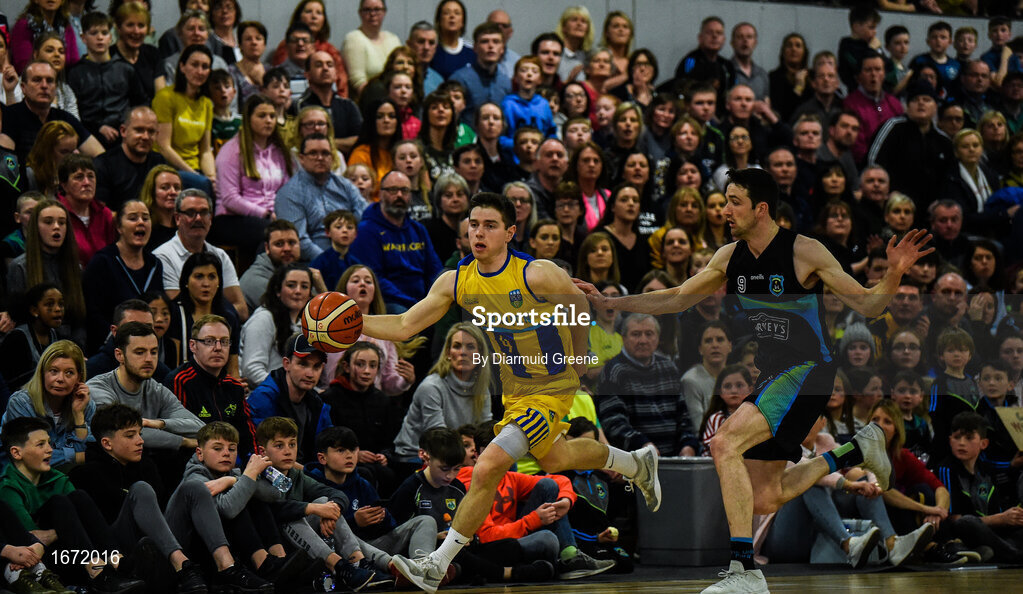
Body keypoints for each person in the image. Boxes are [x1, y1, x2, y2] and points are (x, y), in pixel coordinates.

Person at [575, 168, 934, 593]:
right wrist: (607, 300)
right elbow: (675, 298)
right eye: (724, 201)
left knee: (724, 443)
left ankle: (744, 572)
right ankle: (859, 447)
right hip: (773, 375)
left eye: (734, 201)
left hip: (808, 371)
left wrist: (894, 273)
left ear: (760, 208)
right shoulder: (730, 256)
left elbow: (870, 306)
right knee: (764, 497)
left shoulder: (805, 251)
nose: (724, 210)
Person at [360, 191, 660, 591]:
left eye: (489, 225)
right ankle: (636, 464)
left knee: (486, 466)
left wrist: (579, 360)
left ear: (510, 232)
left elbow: (579, 309)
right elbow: (403, 326)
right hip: (516, 391)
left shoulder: (537, 273)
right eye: (473, 224)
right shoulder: (456, 280)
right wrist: (351, 322)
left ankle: (435, 564)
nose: (478, 232)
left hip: (552, 386)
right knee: (557, 457)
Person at [69, 403, 270, 594]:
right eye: (131, 436)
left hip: (164, 550)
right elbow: (94, 531)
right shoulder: (86, 474)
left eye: (140, 433)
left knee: (192, 486)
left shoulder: (147, 466)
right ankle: (183, 565)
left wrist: (233, 479)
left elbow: (164, 515)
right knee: (141, 489)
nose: (140, 440)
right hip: (122, 556)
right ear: (107, 443)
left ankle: (227, 567)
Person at [0, 416, 145, 593]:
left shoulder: (58, 478)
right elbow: (32, 541)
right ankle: (99, 574)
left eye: (49, 443)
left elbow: (78, 523)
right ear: (16, 453)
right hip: (44, 564)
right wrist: (67, 527)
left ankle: (118, 563)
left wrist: (63, 528)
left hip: (76, 554)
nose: (50, 450)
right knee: (59, 503)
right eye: (41, 445)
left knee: (79, 496)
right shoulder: (7, 487)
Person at [251, 417, 385, 590]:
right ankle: (339, 566)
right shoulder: (255, 476)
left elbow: (336, 494)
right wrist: (313, 508)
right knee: (299, 513)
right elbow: (274, 508)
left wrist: (330, 510)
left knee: (326, 502)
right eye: (279, 446)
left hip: (303, 542)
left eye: (292, 444)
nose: (287, 451)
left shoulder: (296, 475)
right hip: (276, 548)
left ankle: (358, 563)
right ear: (263, 452)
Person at [88, 321, 204, 454]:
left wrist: (159, 423)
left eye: (153, 352)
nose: (149, 359)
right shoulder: (98, 388)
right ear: (119, 355)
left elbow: (199, 427)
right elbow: (123, 434)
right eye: (140, 352)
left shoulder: (157, 390)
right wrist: (184, 442)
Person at [596, 313, 700, 456]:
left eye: (649, 334)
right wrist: (643, 444)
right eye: (636, 334)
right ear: (623, 338)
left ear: (658, 338)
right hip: (635, 460)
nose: (643, 340)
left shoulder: (669, 368)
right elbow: (613, 423)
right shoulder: (613, 371)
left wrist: (688, 444)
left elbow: (683, 416)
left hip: (674, 459)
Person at [392, 323, 491, 462]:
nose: (463, 352)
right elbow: (439, 437)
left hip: (459, 452)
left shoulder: (481, 388)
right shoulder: (431, 386)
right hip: (416, 455)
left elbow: (484, 431)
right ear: (448, 353)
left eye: (470, 347)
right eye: (457, 346)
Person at [212, 94, 293, 260]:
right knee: (270, 234)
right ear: (248, 119)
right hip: (232, 218)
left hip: (272, 216)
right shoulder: (231, 151)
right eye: (262, 116)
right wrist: (265, 214)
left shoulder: (279, 151)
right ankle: (260, 281)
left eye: (272, 116)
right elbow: (230, 199)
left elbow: (287, 189)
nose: (269, 120)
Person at [166, 314, 257, 458]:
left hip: (229, 466)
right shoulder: (180, 381)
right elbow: (179, 437)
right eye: (209, 341)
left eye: (225, 341)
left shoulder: (234, 387)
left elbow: (249, 439)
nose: (218, 348)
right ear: (193, 346)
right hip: (192, 468)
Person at [152, 188, 248, 321]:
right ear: (178, 218)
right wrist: (222, 313)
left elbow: (242, 310)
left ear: (210, 219)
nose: (198, 218)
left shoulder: (220, 256)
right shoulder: (162, 257)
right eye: (191, 213)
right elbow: (179, 312)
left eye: (203, 213)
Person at [82, 200, 164, 353]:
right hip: (110, 349)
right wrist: (119, 342)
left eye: (145, 218)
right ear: (119, 227)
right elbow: (92, 313)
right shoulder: (102, 262)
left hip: (149, 349)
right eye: (133, 218)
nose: (141, 222)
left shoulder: (155, 264)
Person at [0, 339, 92, 469]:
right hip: (23, 480)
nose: (60, 379)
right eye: (54, 371)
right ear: (42, 373)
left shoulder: (85, 403)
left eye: (69, 373)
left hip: (67, 478)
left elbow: (93, 453)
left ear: (79, 377)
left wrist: (78, 416)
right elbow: (28, 457)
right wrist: (77, 457)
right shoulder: (22, 403)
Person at [274, 133, 368, 261]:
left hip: (354, 256)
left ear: (332, 157)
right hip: (313, 264)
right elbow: (298, 240)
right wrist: (331, 261)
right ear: (301, 158)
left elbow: (365, 218)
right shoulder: (290, 193)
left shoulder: (345, 185)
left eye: (325, 153)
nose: (320, 158)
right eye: (313, 153)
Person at [6, 199, 86, 344]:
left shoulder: (76, 268)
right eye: (48, 222)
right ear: (35, 227)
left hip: (71, 348)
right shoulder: (19, 267)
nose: (56, 227)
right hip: (36, 350)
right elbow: (19, 322)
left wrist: (78, 350)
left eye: (62, 222)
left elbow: (79, 320)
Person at [65, 11, 146, 150]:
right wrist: (98, 127)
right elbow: (73, 110)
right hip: (87, 134)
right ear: (83, 38)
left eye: (104, 33)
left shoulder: (125, 69)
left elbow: (140, 103)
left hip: (123, 133)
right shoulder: (75, 73)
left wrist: (126, 125)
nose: (100, 38)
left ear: (111, 37)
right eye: (94, 33)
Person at [247, 334, 331, 464]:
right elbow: (255, 453)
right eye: (303, 364)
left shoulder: (318, 404)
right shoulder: (264, 398)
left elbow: (327, 448)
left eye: (316, 366)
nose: (310, 373)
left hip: (305, 474)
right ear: (287, 364)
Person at [0, 60, 102, 163]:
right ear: (23, 87)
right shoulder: (10, 116)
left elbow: (100, 156)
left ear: (56, 87)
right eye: (37, 80)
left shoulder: (65, 118)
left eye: (49, 81)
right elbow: (6, 164)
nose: (44, 86)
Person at [153, 44, 216, 196]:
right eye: (194, 65)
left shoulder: (206, 103)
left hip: (196, 170)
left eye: (205, 67)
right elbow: (164, 147)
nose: (200, 71)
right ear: (182, 67)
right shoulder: (166, 97)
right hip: (169, 168)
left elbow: (206, 150)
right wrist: (197, 176)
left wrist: (212, 178)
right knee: (201, 185)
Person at [239, 264, 313, 387]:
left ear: (310, 294)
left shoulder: (305, 324)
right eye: (291, 285)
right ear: (278, 291)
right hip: (262, 396)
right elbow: (251, 370)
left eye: (304, 286)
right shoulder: (264, 318)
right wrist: (287, 389)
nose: (298, 291)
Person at [268, 0, 348, 99]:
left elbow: (341, 86)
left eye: (319, 13)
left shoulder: (330, 50)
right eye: (309, 12)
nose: (314, 17)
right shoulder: (286, 46)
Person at [92, 106, 166, 212]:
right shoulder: (103, 165)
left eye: (151, 132)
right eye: (139, 130)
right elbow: (100, 212)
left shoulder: (159, 162)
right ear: (123, 131)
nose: (145, 137)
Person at [296, 50, 361, 154]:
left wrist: (328, 143)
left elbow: (358, 141)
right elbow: (300, 142)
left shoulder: (348, 105)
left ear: (336, 74)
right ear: (307, 75)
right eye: (318, 65)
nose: (325, 68)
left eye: (329, 65)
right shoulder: (299, 106)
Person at [54, 153, 113, 267]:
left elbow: (111, 254)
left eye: (91, 176)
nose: (86, 183)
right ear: (64, 185)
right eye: (79, 177)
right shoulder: (56, 213)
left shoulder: (105, 214)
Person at [450, 23, 511, 128]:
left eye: (496, 42)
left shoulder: (506, 82)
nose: (491, 46)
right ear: (475, 47)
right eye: (484, 41)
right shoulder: (460, 79)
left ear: (502, 49)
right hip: (466, 140)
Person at [343, 0, 401, 96]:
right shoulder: (354, 39)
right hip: (369, 101)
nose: (372, 14)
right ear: (360, 13)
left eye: (377, 9)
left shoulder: (393, 39)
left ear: (384, 12)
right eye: (367, 10)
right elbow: (358, 82)